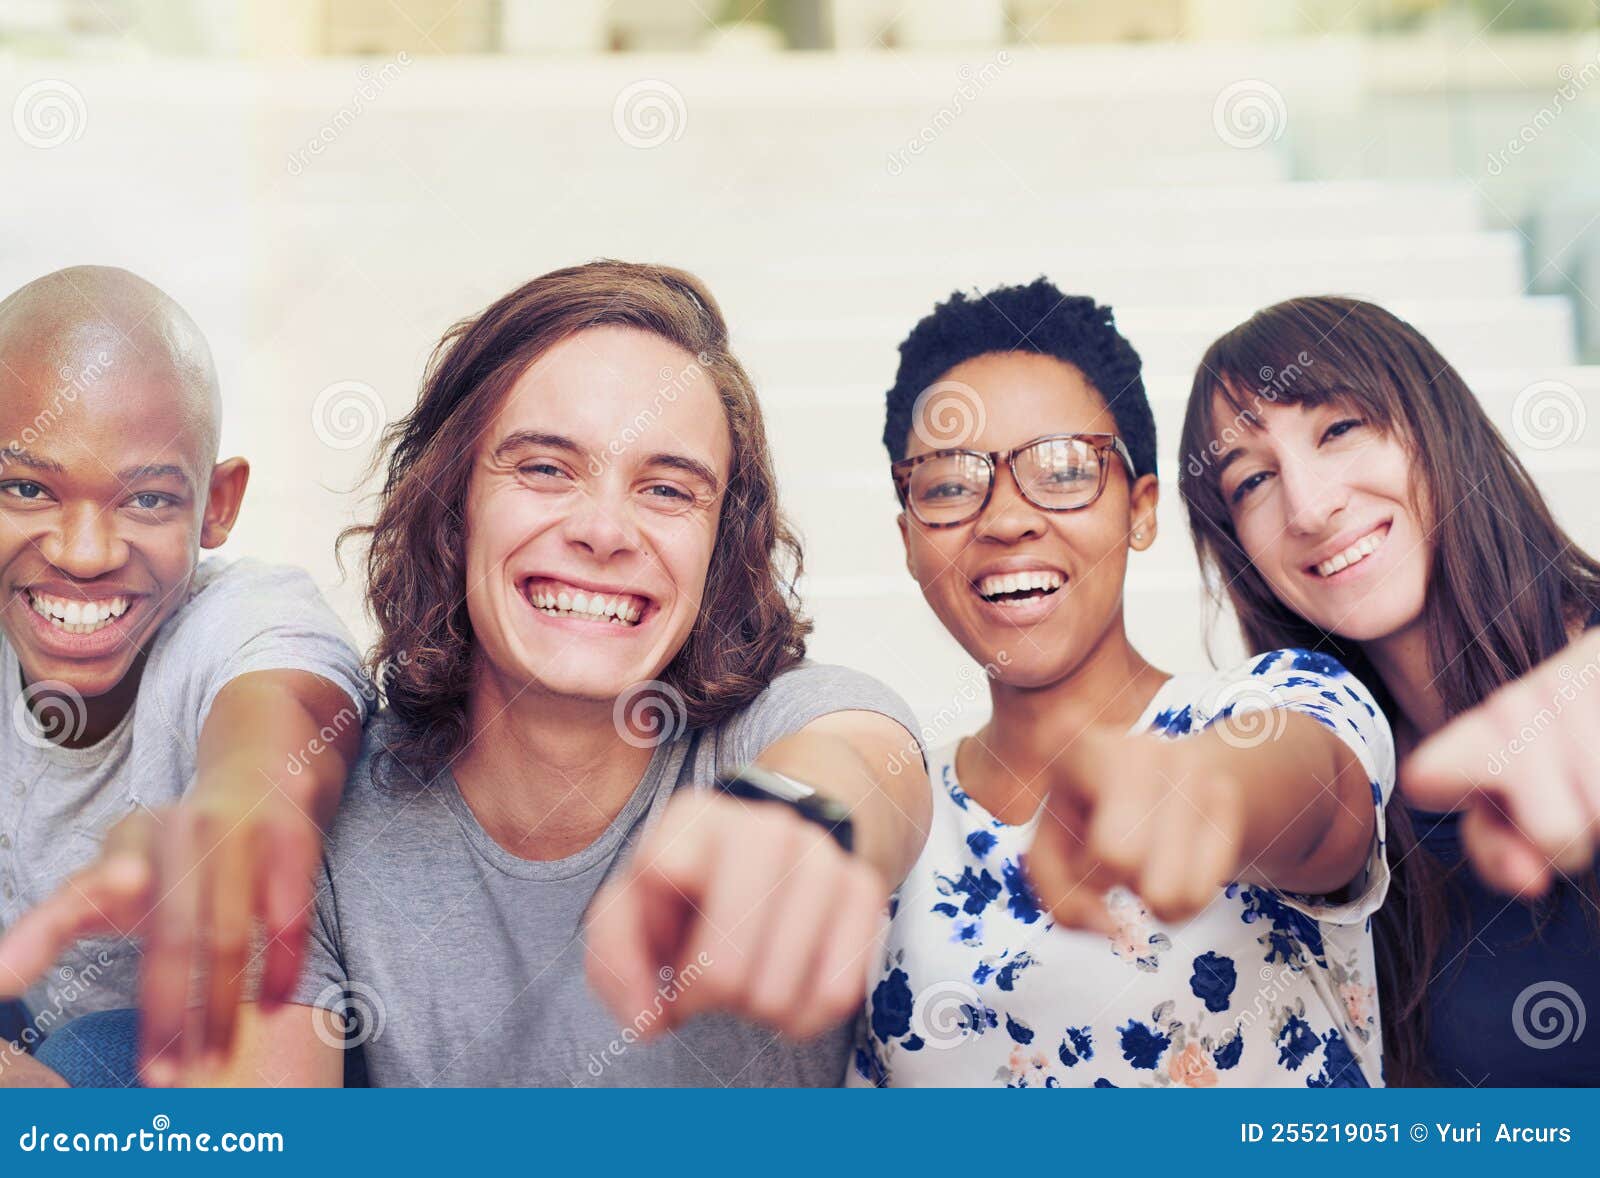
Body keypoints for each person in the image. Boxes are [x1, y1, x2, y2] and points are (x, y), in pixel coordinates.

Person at [218, 260, 930, 1087]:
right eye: (546, 468)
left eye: (667, 490)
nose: (603, 530)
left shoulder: (781, 725)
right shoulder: (323, 805)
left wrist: (796, 829)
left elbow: (865, 764)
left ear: (721, 546)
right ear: (451, 504)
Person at [850, 279, 1393, 1088]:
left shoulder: (1270, 704)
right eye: (952, 485)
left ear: (1140, 511)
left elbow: (1312, 793)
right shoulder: (893, 819)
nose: (1004, 519)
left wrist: (1203, 784)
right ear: (907, 539)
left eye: (1065, 469)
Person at [1178, 295, 1600, 1086]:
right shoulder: (1335, 809)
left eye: (1338, 429)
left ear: (1436, 425)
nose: (1309, 506)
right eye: (1253, 481)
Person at [0, 267, 369, 1088]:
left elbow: (285, 705)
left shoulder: (247, 620)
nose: (83, 552)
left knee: (99, 1043)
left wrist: (236, 810)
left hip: (187, 1062)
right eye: (27, 488)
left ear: (218, 504)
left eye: (148, 501)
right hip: (28, 1007)